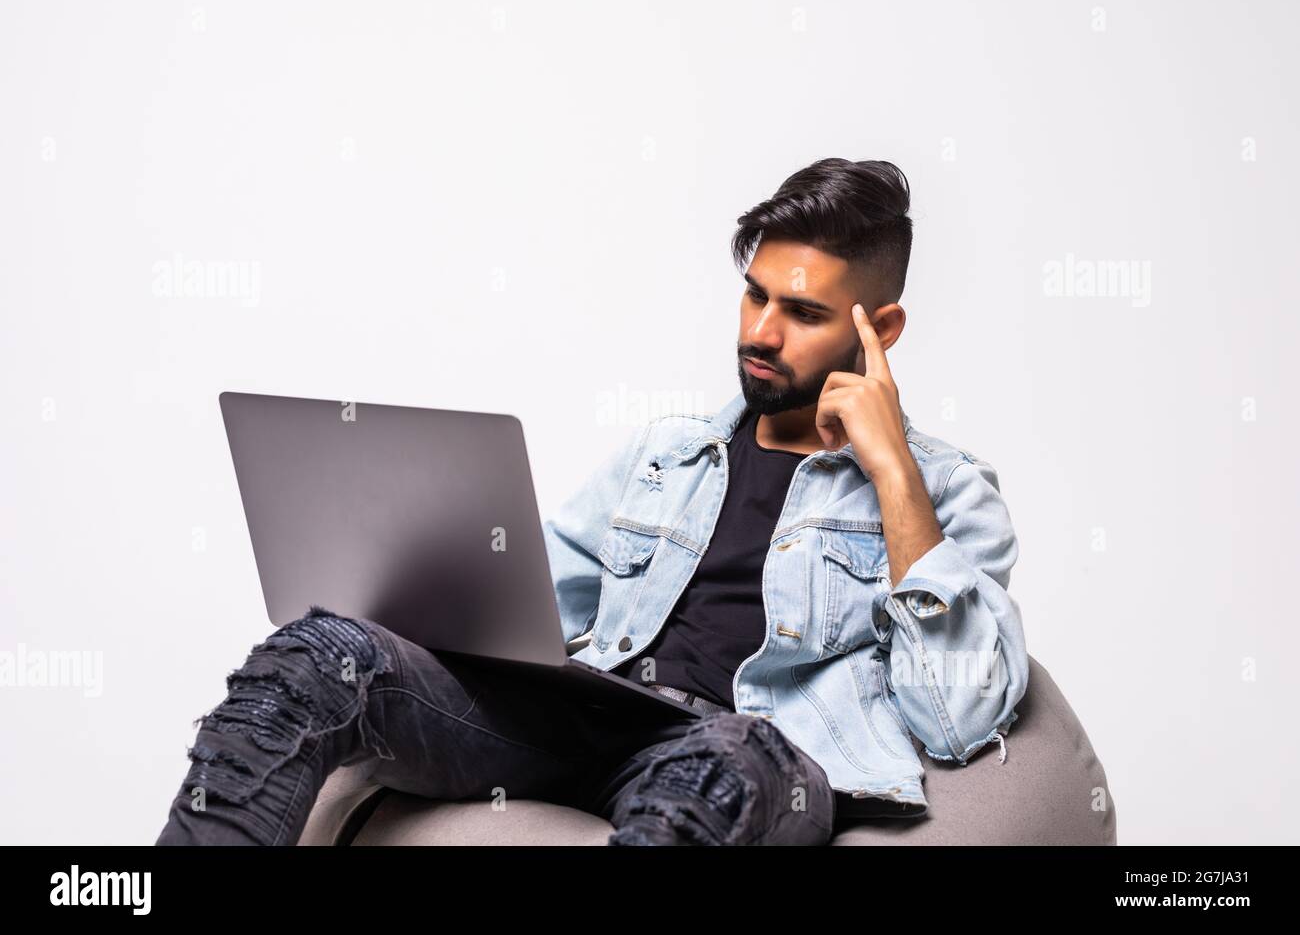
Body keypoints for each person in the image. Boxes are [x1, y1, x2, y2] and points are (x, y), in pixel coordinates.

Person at [157, 157, 1028, 846]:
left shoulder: (948, 491)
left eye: (801, 311)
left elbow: (960, 718)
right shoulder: (668, 454)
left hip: (755, 755)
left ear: (882, 330)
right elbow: (521, 608)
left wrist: (892, 471)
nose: (760, 332)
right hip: (587, 720)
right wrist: (401, 589)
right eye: (755, 294)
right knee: (316, 652)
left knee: (728, 759)